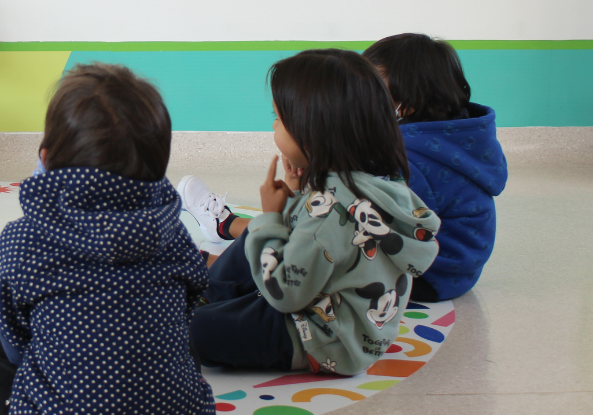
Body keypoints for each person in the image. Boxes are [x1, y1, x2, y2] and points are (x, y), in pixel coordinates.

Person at [0, 63, 217, 415]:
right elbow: (188, 308)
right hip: (175, 406)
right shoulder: (173, 234)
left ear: (45, 159)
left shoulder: (22, 239)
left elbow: (16, 346)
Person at [180, 49, 441, 376]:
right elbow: (319, 246)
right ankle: (208, 295)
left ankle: (196, 306)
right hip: (341, 317)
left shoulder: (328, 211)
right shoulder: (376, 181)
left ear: (314, 132)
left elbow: (285, 294)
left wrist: (271, 217)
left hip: (322, 338)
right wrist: (296, 196)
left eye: (277, 118)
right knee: (260, 236)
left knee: (194, 330)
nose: (273, 125)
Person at [363, 33, 507, 301]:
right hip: (459, 270)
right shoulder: (459, 134)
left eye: (373, 86)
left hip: (429, 276)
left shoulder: (412, 155)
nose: (363, 96)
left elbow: (389, 222)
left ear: (409, 97)